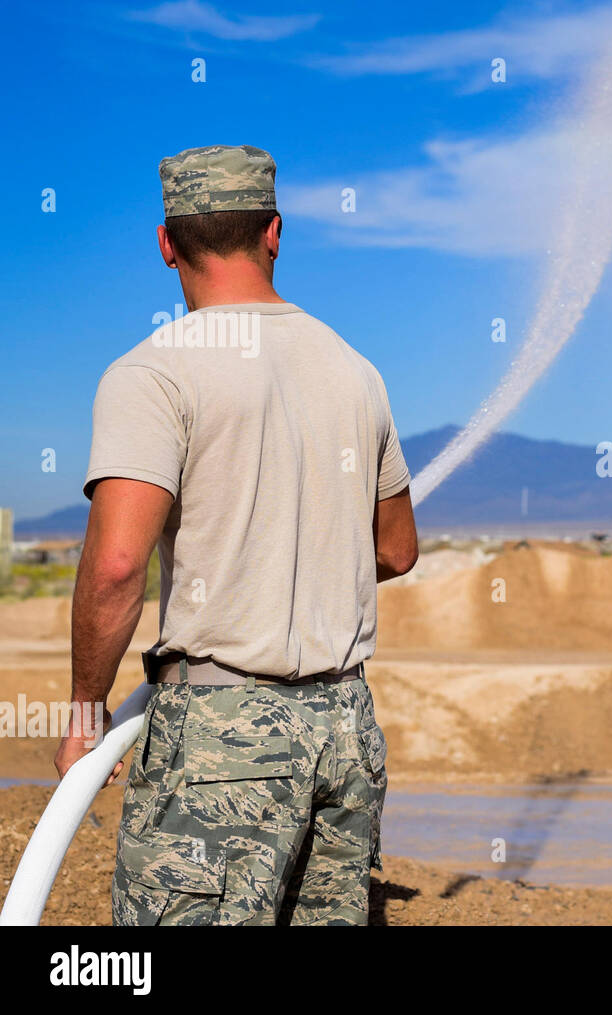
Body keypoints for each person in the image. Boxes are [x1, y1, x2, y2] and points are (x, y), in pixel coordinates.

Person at [53, 144, 418, 925]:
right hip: (346, 732)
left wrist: (86, 709)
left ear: (166, 244)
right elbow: (396, 550)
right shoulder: (358, 372)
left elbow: (118, 565)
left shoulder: (154, 374)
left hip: (220, 746)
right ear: (275, 231)